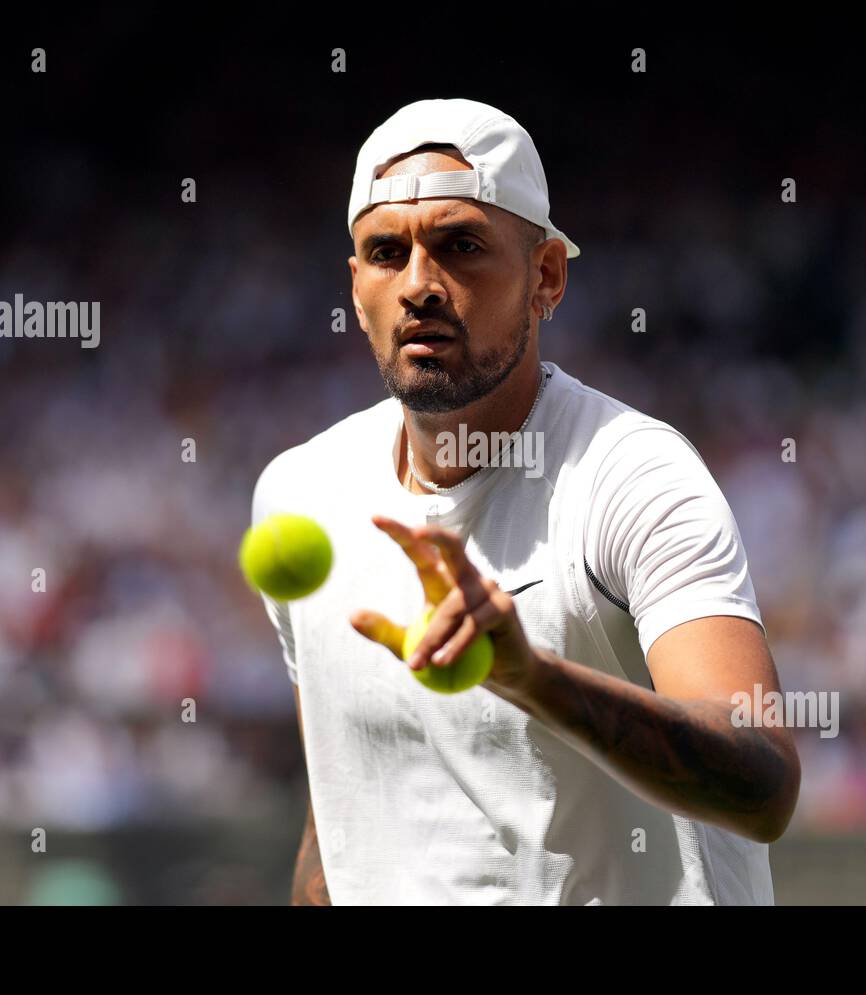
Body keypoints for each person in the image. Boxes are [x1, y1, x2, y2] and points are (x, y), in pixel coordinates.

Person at [253, 97, 800, 905]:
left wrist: (534, 678)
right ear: (356, 286)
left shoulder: (634, 476)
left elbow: (763, 784)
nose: (419, 286)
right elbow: (338, 813)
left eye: (460, 245)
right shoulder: (300, 493)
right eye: (384, 252)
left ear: (546, 276)